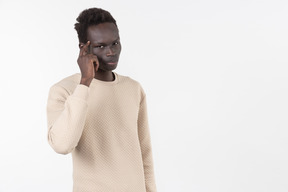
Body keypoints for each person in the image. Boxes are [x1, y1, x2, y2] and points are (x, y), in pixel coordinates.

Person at [46, 7, 157, 192]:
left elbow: (145, 153)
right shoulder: (64, 91)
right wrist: (85, 83)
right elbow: (62, 145)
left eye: (115, 43)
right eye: (100, 46)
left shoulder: (133, 89)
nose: (111, 51)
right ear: (84, 48)